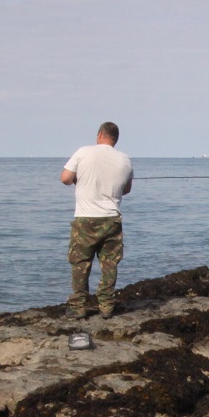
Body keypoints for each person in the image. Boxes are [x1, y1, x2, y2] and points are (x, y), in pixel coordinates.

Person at [60, 121, 133, 318]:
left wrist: (78, 179)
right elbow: (126, 189)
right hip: (112, 219)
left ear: (100, 135)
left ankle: (78, 307)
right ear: (115, 139)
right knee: (109, 264)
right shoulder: (125, 159)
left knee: (81, 263)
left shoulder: (84, 151)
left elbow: (65, 178)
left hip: (85, 219)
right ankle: (107, 306)